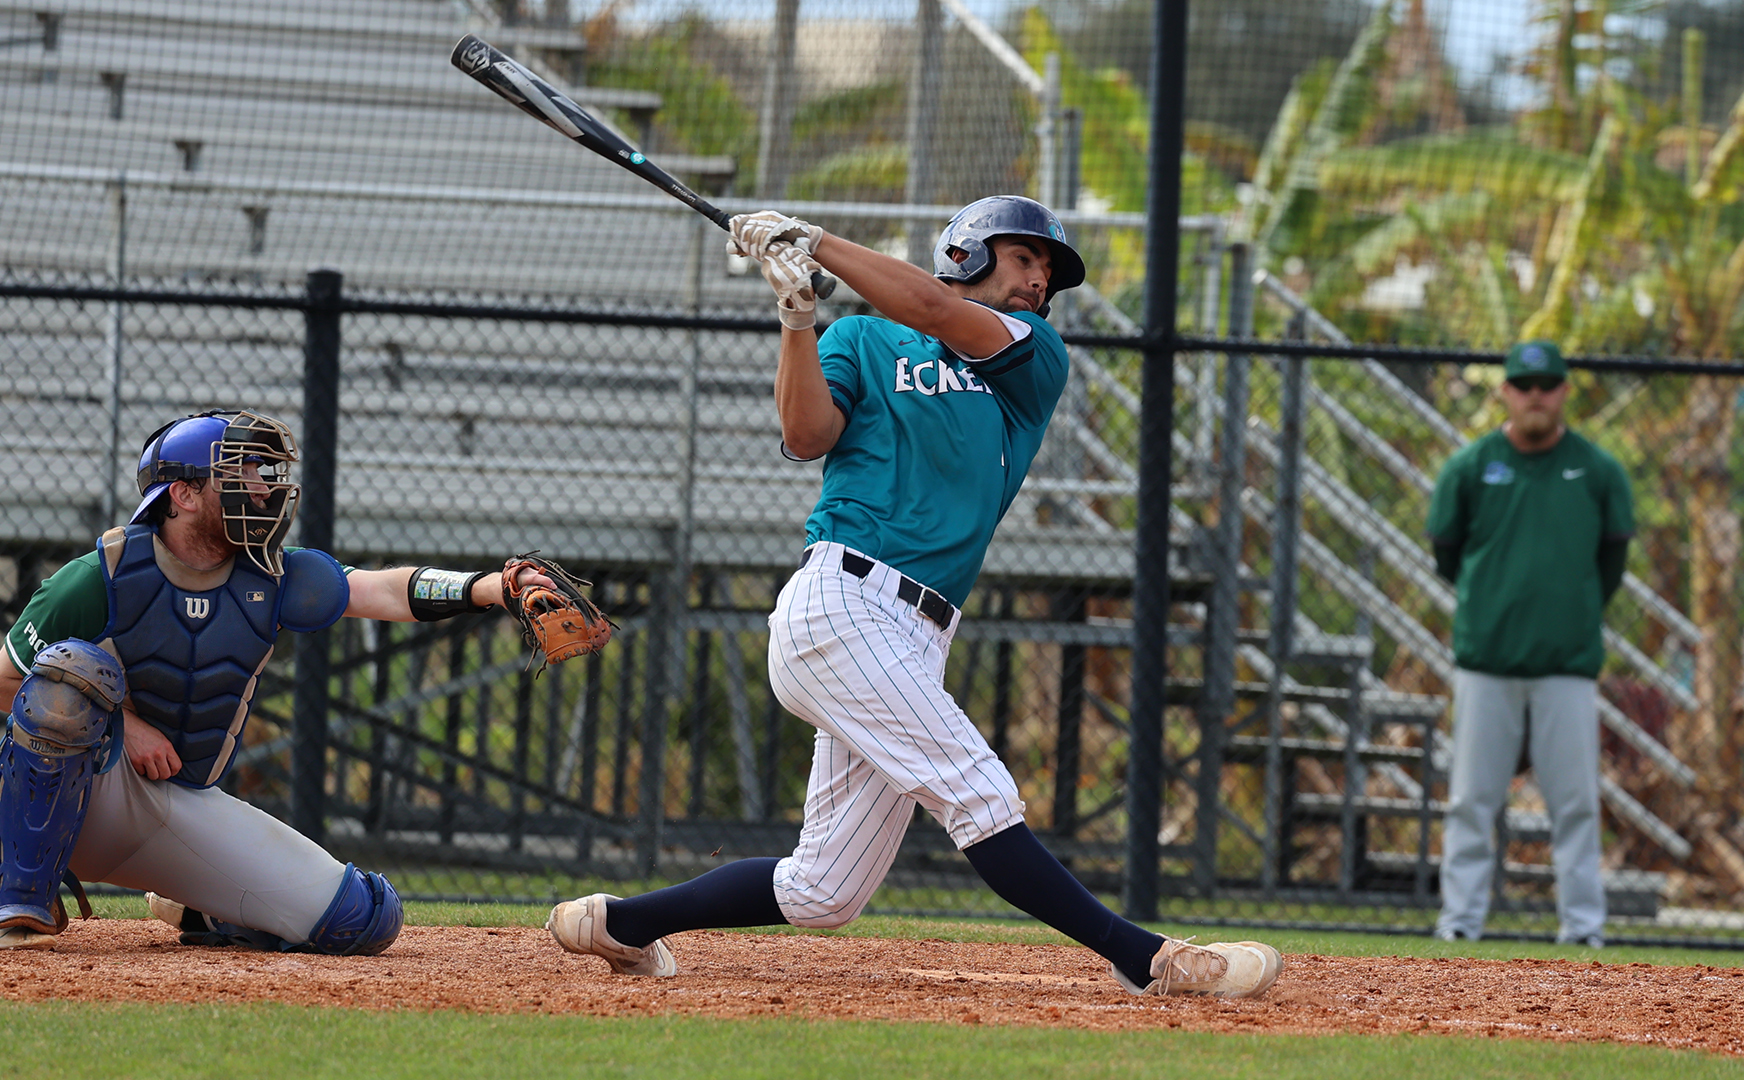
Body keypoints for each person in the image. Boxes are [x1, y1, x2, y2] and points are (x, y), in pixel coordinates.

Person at [545, 196, 1282, 998]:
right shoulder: (862, 336)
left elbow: (932, 308)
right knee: (980, 791)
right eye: (1024, 257)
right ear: (966, 251)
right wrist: (797, 320)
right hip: (842, 603)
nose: (1039, 280)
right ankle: (1150, 961)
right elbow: (806, 436)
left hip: (916, 635)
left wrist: (816, 240)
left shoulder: (1034, 355)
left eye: (1047, 270)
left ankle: (618, 924)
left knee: (824, 890)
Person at [0, 409, 558, 954]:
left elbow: (385, 591)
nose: (263, 491)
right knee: (68, 673)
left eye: (263, 474)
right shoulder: (103, 574)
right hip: (75, 784)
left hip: (168, 801)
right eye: (240, 474)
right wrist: (128, 725)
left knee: (360, 918)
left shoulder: (273, 574)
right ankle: (21, 895)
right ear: (184, 494)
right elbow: (6, 682)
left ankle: (201, 903)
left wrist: (489, 589)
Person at [1426, 341, 1635, 947]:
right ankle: (1460, 923)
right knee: (1471, 799)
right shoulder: (1468, 467)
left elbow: (1612, 559)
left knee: (1574, 803)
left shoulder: (1598, 471)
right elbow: (1447, 552)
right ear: (1505, 393)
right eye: (1525, 384)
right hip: (1486, 661)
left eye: (1548, 384)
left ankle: (1583, 928)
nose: (1536, 395)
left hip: (1566, 665)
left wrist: (1571, 609)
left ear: (1566, 390)